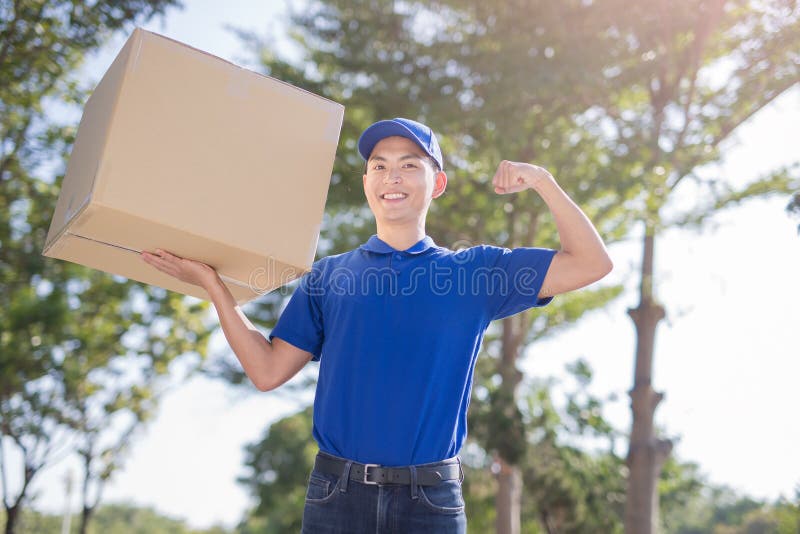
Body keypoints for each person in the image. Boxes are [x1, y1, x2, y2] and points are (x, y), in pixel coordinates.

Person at [141, 117, 612, 533]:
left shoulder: (476, 273)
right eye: (380, 165)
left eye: (409, 164)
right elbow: (267, 372)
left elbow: (591, 263)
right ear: (366, 182)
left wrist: (543, 181)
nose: (393, 176)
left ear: (438, 183)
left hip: (431, 503)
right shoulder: (328, 277)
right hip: (336, 497)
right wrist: (214, 287)